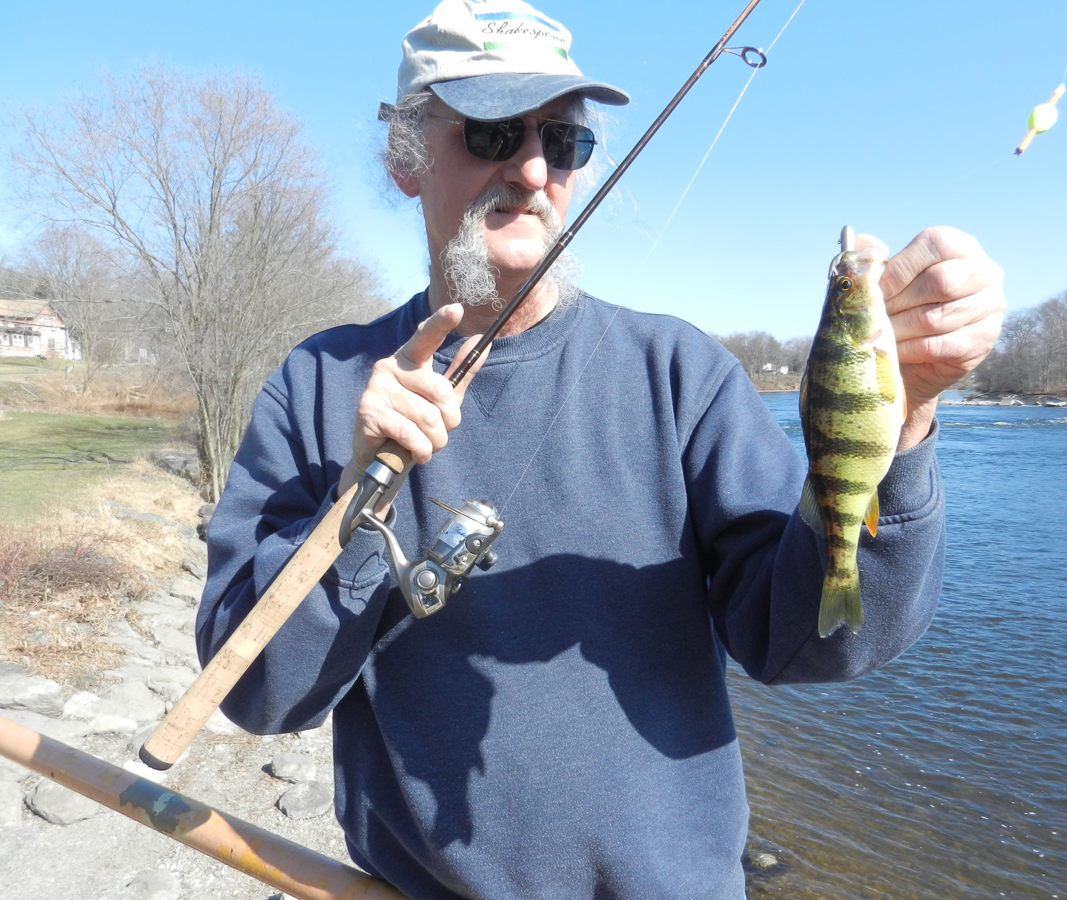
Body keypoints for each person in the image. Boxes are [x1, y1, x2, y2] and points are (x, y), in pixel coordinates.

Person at [196, 1, 1005, 898]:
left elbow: (814, 644)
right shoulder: (321, 382)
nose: (534, 168)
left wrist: (903, 427)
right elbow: (257, 693)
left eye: (565, 141)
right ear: (405, 159)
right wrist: (357, 501)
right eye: (495, 131)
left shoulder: (680, 372)